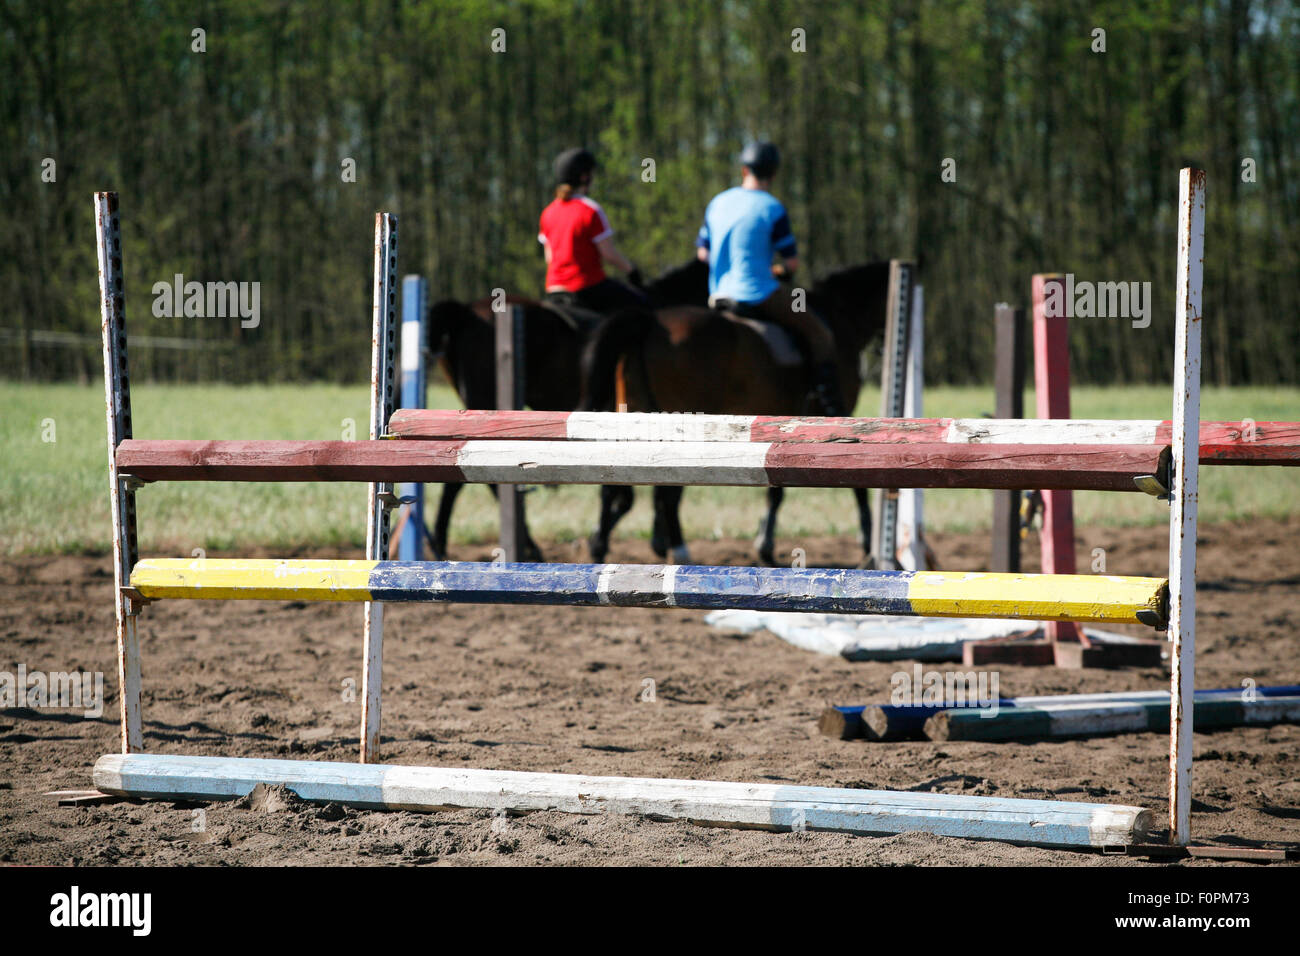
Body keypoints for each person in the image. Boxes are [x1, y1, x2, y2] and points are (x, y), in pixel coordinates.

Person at [695, 141, 845, 416]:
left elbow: (703, 253)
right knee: (821, 334)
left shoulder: (718, 202)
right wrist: (777, 271)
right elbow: (791, 264)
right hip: (758, 293)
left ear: (743, 170)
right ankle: (830, 407)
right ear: (773, 174)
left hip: (717, 295)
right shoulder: (772, 208)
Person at [538, 148, 646, 314]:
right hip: (587, 288)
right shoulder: (590, 210)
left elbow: (549, 257)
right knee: (643, 305)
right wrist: (631, 270)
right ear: (584, 177)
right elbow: (609, 254)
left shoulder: (548, 212)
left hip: (554, 290)